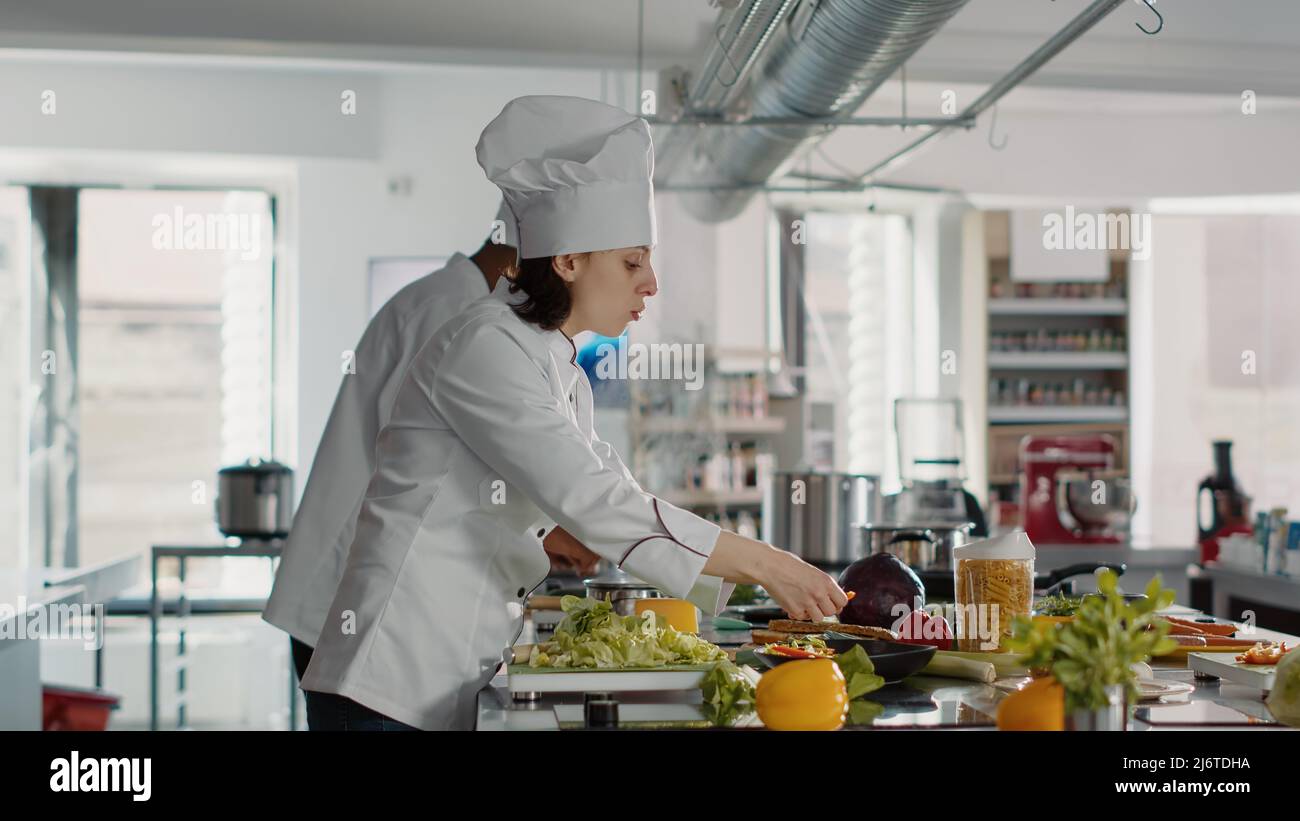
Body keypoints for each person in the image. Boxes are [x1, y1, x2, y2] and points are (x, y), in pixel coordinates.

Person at [299, 95, 846, 731]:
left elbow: (611, 494)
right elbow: (594, 501)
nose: (651, 283)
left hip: (449, 669)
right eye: (632, 261)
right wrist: (769, 564)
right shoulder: (484, 345)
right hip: (386, 678)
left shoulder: (560, 365)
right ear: (567, 261)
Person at [263, 205, 600, 691]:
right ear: (533, 256)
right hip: (344, 603)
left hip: (363, 605)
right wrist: (549, 533)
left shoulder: (458, 306)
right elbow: (438, 467)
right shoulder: (449, 313)